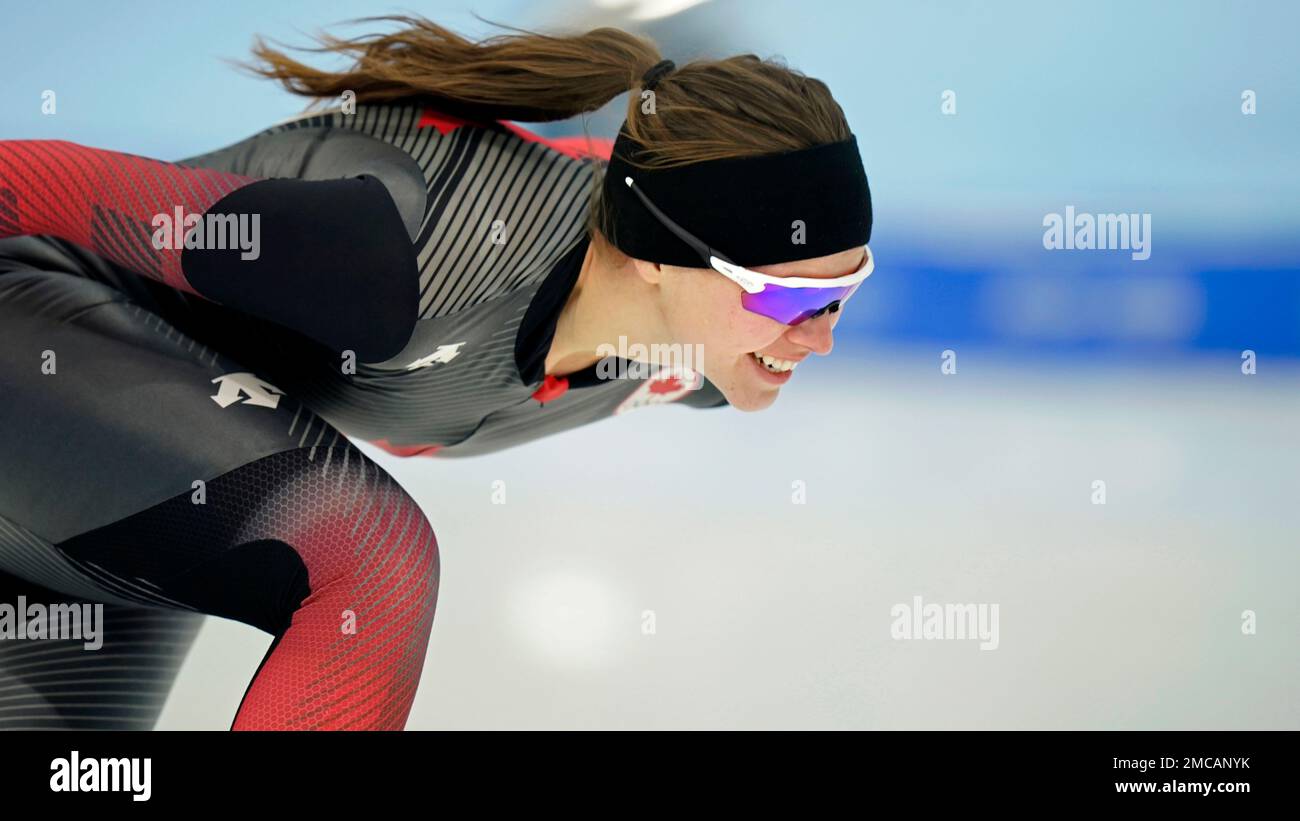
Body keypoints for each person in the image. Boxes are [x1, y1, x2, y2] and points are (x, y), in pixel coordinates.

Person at [0, 15, 873, 730]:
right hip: (32, 320)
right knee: (371, 563)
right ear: (658, 258)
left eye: (845, 291)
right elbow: (32, 182)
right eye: (787, 299)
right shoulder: (400, 255)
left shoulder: (703, 354)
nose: (819, 336)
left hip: (110, 471)